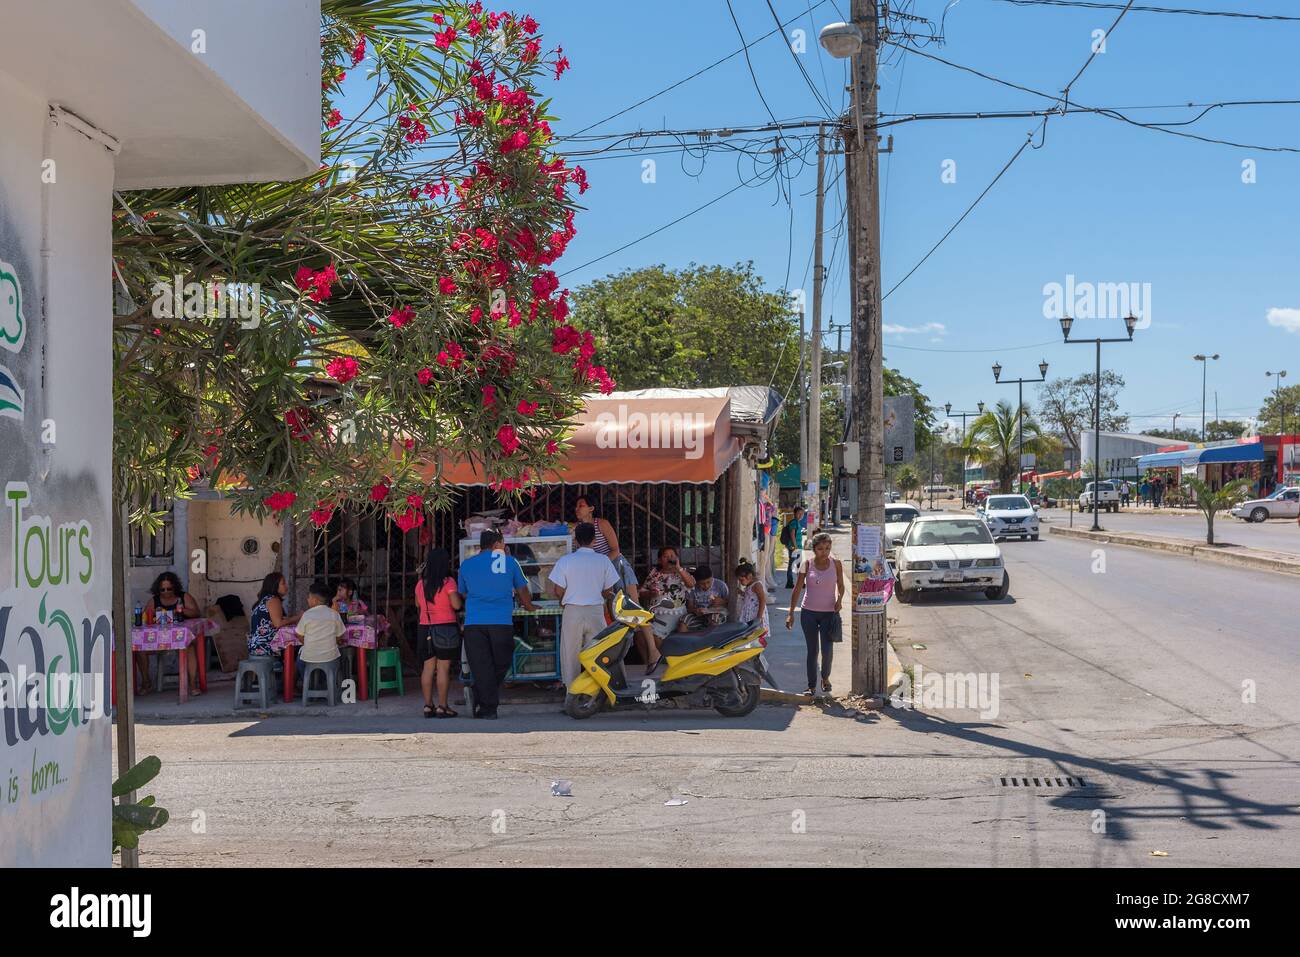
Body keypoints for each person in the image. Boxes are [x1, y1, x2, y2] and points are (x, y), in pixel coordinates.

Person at [457, 529, 536, 719]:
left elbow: (464, 593)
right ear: (497, 544)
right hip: (501, 622)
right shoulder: (509, 562)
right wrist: (529, 606)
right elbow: (522, 589)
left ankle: (479, 696)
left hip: (474, 623)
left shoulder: (466, 565)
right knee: (502, 663)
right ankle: (489, 708)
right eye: (503, 543)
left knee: (482, 665)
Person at [549, 522, 621, 684]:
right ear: (594, 540)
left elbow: (558, 590)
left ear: (575, 540)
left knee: (570, 654)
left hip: (572, 612)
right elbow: (608, 591)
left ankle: (572, 690)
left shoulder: (565, 561)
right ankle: (599, 687)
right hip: (596, 611)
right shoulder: (603, 560)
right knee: (598, 652)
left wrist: (564, 602)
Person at [785, 531, 845, 695]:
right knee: (813, 650)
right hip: (808, 614)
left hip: (829, 614)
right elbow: (797, 589)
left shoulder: (836, 564)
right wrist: (791, 613)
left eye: (827, 548)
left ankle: (825, 678)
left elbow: (841, 585)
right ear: (814, 549)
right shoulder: (807, 564)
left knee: (827, 650)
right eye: (820, 549)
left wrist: (839, 600)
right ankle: (811, 686)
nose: (824, 552)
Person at [136, 571, 202, 696]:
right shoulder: (154, 601)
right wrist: (153, 613)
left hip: (180, 638)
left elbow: (196, 613)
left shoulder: (183, 597)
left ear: (175, 587)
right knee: (139, 649)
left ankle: (193, 684)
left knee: (190, 646)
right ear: (158, 590)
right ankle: (146, 682)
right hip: (157, 639)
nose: (166, 592)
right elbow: (145, 618)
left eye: (169, 588)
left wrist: (182, 610)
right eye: (162, 589)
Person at [415, 547, 463, 718]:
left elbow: (418, 605)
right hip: (445, 628)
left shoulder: (420, 584)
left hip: (424, 628)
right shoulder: (448, 582)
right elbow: (456, 605)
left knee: (428, 668)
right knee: (443, 668)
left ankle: (428, 705)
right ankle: (443, 706)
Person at [295, 579, 346, 688]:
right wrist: (329, 642)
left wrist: (309, 643)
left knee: (299, 661)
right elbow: (340, 635)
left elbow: (299, 634)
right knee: (337, 660)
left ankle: (310, 686)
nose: (307, 599)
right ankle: (326, 685)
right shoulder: (334, 614)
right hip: (330, 656)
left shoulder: (307, 615)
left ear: (315, 600)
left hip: (309, 657)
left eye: (309, 597)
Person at [641, 546, 696, 644]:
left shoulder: (681, 573)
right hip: (654, 613)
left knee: (653, 634)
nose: (670, 558)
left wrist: (678, 568)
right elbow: (641, 592)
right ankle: (650, 659)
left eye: (672, 556)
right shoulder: (654, 573)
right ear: (659, 560)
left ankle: (661, 658)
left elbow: (691, 584)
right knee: (639, 634)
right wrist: (650, 593)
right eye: (666, 556)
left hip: (674, 613)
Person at [248, 572, 300, 660]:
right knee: (301, 646)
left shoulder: (263, 600)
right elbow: (278, 623)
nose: (286, 586)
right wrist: (298, 617)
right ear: (274, 585)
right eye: (283, 583)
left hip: (256, 646)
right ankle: (290, 672)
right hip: (266, 647)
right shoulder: (273, 599)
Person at [684, 565, 729, 631]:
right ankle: (688, 641)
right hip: (698, 616)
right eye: (702, 584)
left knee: (714, 619)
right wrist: (695, 610)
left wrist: (722, 602)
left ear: (712, 577)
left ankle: (712, 640)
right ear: (696, 581)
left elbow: (730, 604)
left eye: (708, 582)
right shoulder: (692, 588)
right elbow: (689, 607)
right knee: (683, 622)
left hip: (716, 614)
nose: (706, 586)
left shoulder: (721, 586)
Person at [734, 561, 769, 633]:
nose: (740, 582)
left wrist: (759, 617)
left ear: (749, 576)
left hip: (755, 614)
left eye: (741, 580)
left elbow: (762, 600)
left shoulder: (757, 585)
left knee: (756, 632)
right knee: (750, 633)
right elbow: (749, 597)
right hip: (749, 613)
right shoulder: (749, 585)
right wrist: (740, 592)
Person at [780, 506, 806, 588]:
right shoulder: (794, 522)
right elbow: (792, 535)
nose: (801, 515)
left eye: (802, 514)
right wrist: (795, 547)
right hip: (794, 547)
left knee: (798, 565)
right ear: (794, 514)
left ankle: (799, 583)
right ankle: (790, 583)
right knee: (792, 565)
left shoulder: (797, 522)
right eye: (799, 513)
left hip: (797, 547)